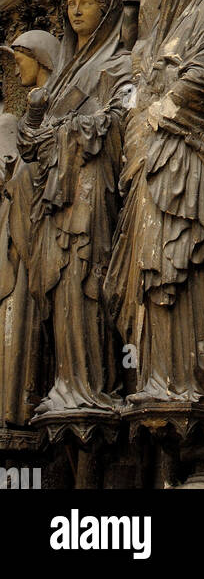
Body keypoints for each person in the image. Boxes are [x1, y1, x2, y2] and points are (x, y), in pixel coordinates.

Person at [106, 0, 204, 403]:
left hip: (184, 157)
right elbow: (139, 87)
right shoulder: (166, 22)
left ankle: (183, 377)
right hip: (150, 159)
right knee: (145, 270)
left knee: (174, 262)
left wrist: (160, 104)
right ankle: (152, 376)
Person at [20, 0, 132, 417]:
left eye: (86, 3)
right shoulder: (63, 72)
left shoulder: (118, 64)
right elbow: (31, 145)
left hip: (89, 195)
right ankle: (66, 382)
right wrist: (33, 112)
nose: (76, 11)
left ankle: (92, 384)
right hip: (54, 199)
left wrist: (66, 131)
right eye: (70, 4)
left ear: (106, 11)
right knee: (57, 291)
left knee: (85, 282)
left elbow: (122, 119)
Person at [0, 31, 59, 426]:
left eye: (22, 57)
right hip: (17, 232)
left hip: (25, 239)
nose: (17, 66)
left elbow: (18, 172)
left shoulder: (10, 122)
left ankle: (17, 411)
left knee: (18, 324)